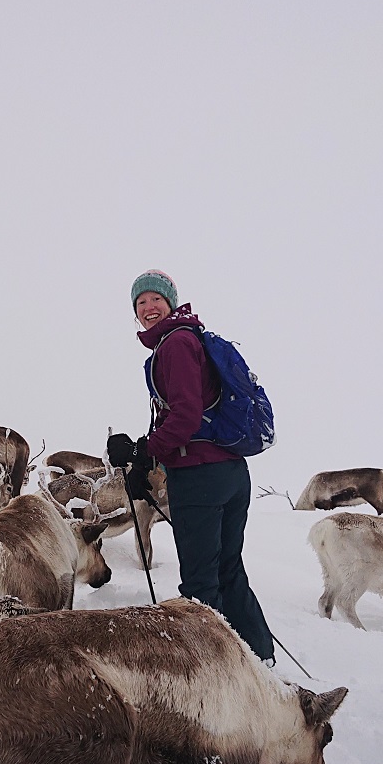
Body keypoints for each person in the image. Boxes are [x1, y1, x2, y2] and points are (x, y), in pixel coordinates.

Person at [109, 271, 276, 663]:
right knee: (228, 572)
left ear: (171, 302)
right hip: (230, 473)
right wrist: (145, 453)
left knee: (202, 584)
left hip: (201, 478)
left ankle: (214, 673)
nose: (149, 308)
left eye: (155, 300)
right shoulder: (190, 339)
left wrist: (145, 450)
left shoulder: (176, 344)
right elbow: (187, 415)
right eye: (140, 303)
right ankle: (258, 658)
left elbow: (185, 417)